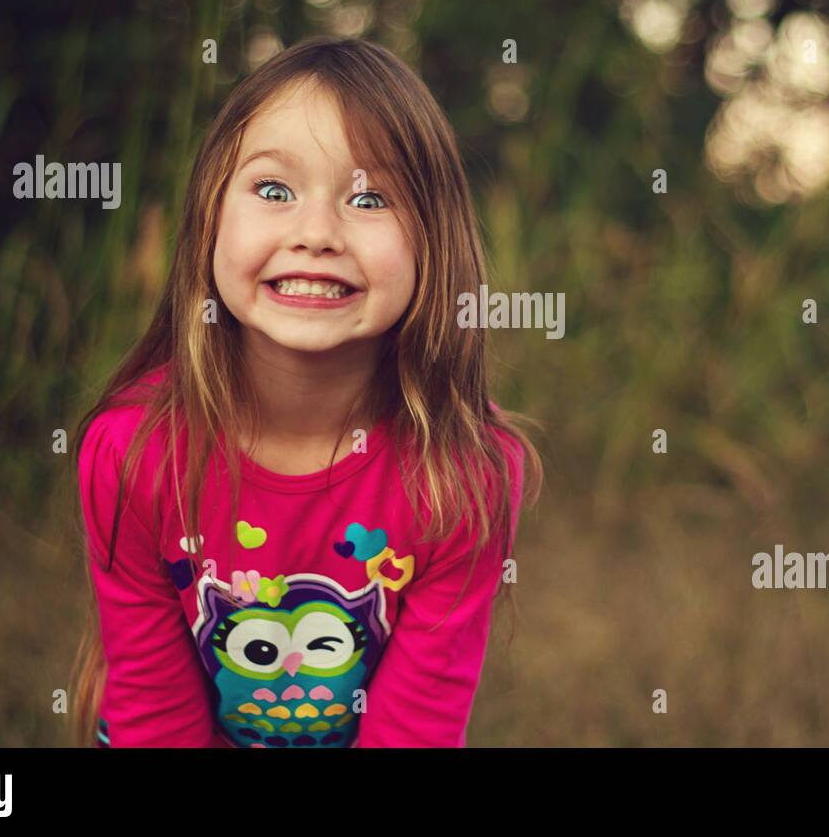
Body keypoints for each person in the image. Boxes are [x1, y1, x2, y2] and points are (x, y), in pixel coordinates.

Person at [71, 36, 542, 748]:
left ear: (434, 245)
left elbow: (412, 733)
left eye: (370, 197)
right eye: (273, 190)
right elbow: (155, 715)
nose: (316, 232)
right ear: (208, 222)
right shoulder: (133, 451)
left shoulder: (462, 477)